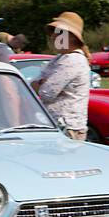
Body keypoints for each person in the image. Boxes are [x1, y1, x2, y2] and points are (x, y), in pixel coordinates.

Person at [32, 12, 91, 141]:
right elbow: (32, 85)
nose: (53, 36)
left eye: (59, 32)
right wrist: (41, 84)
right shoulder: (58, 59)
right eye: (53, 32)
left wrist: (42, 83)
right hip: (56, 126)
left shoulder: (73, 60)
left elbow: (46, 93)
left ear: (72, 37)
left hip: (68, 129)